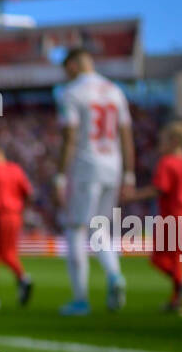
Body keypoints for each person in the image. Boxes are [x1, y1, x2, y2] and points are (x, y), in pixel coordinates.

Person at [55, 47, 133, 316]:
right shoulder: (115, 90)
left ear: (74, 65)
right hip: (113, 165)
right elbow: (125, 135)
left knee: (75, 228)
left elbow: (71, 137)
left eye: (66, 68)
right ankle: (114, 275)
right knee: (100, 230)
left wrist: (60, 176)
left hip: (86, 166)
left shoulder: (72, 92)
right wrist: (130, 174)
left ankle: (80, 299)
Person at [126, 121, 182, 315]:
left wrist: (132, 195)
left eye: (162, 140)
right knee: (176, 258)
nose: (159, 145)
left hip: (172, 216)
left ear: (174, 141)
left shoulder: (167, 163)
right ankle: (177, 300)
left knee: (159, 260)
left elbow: (159, 189)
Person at [0, 143, 34, 310]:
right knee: (7, 252)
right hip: (15, 215)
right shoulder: (16, 169)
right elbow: (28, 193)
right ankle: (20, 280)